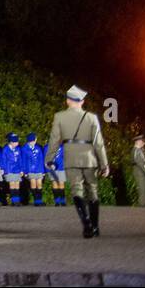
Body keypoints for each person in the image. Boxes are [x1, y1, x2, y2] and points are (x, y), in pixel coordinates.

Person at [44, 85, 109, 238]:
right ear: (82, 101)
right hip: (89, 157)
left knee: (76, 191)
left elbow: (54, 140)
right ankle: (95, 227)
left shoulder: (59, 116)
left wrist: (49, 158)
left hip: (71, 157)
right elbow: (98, 143)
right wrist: (104, 164)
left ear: (68, 101)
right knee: (92, 191)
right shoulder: (91, 117)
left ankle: (86, 223)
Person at [21, 132, 46, 206]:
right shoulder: (24, 149)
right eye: (31, 141)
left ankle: (39, 200)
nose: (33, 142)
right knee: (33, 184)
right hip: (30, 169)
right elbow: (23, 161)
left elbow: (41, 159)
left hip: (38, 169)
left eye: (33, 140)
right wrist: (25, 171)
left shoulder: (38, 148)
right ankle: (36, 201)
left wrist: (43, 170)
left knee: (39, 184)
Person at [1, 133, 24, 206]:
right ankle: (13, 201)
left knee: (17, 184)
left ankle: (17, 200)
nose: (17, 143)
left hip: (17, 169)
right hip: (9, 169)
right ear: (11, 142)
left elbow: (20, 160)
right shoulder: (6, 149)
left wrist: (21, 170)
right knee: (12, 184)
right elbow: (3, 160)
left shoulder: (18, 149)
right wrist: (4, 170)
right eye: (16, 142)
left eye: (17, 142)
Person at [132, 135, 145, 206]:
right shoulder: (136, 151)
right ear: (137, 142)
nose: (143, 143)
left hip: (142, 174)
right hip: (140, 174)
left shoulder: (139, 150)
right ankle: (141, 211)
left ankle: (144, 209)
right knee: (142, 192)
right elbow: (140, 163)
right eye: (142, 141)